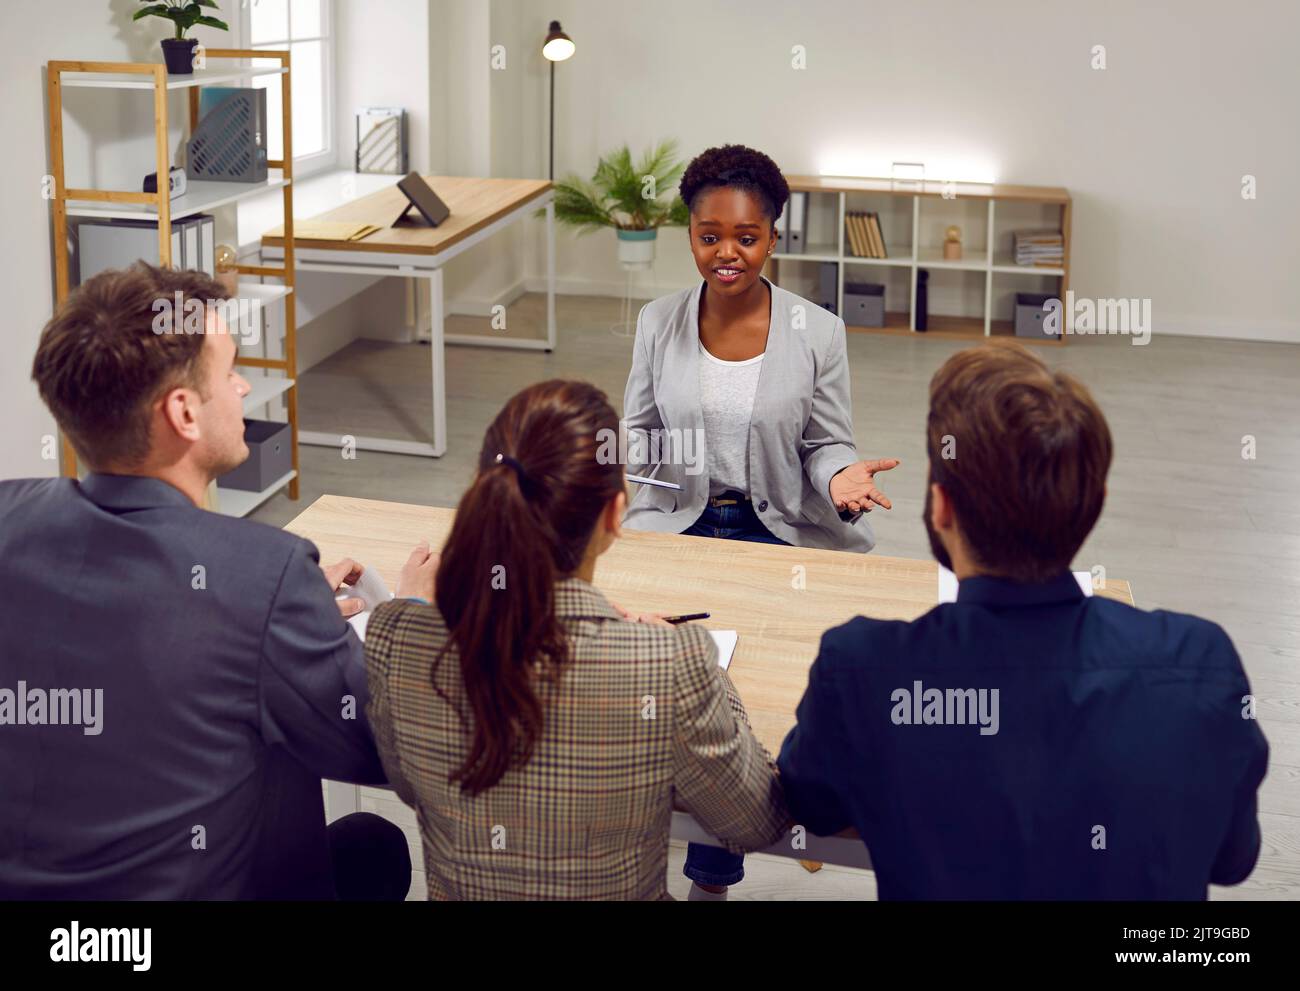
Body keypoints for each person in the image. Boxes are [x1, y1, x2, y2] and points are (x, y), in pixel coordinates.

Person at [777, 340, 1269, 899]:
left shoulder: (862, 668)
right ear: (1095, 501)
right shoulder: (1201, 662)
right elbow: (1234, 858)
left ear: (941, 508)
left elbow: (810, 806)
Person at [0, 263, 416, 900]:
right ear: (183, 413)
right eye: (228, 373)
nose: (245, 386)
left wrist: (282, 621)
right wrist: (408, 615)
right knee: (375, 843)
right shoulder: (263, 573)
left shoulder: (9, 515)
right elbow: (390, 747)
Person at [363, 379, 790, 900]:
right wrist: (706, 675)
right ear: (615, 515)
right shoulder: (671, 666)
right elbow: (755, 821)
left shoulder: (392, 635)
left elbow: (409, 787)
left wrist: (412, 608)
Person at [621, 143, 899, 895]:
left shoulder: (819, 331)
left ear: (774, 235)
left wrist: (839, 473)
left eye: (746, 236)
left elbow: (825, 439)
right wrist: (619, 483)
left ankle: (742, 847)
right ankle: (692, 858)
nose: (727, 253)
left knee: (761, 696)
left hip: (782, 529)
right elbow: (640, 437)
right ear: (690, 236)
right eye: (709, 235)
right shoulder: (658, 322)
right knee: (682, 696)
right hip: (680, 524)